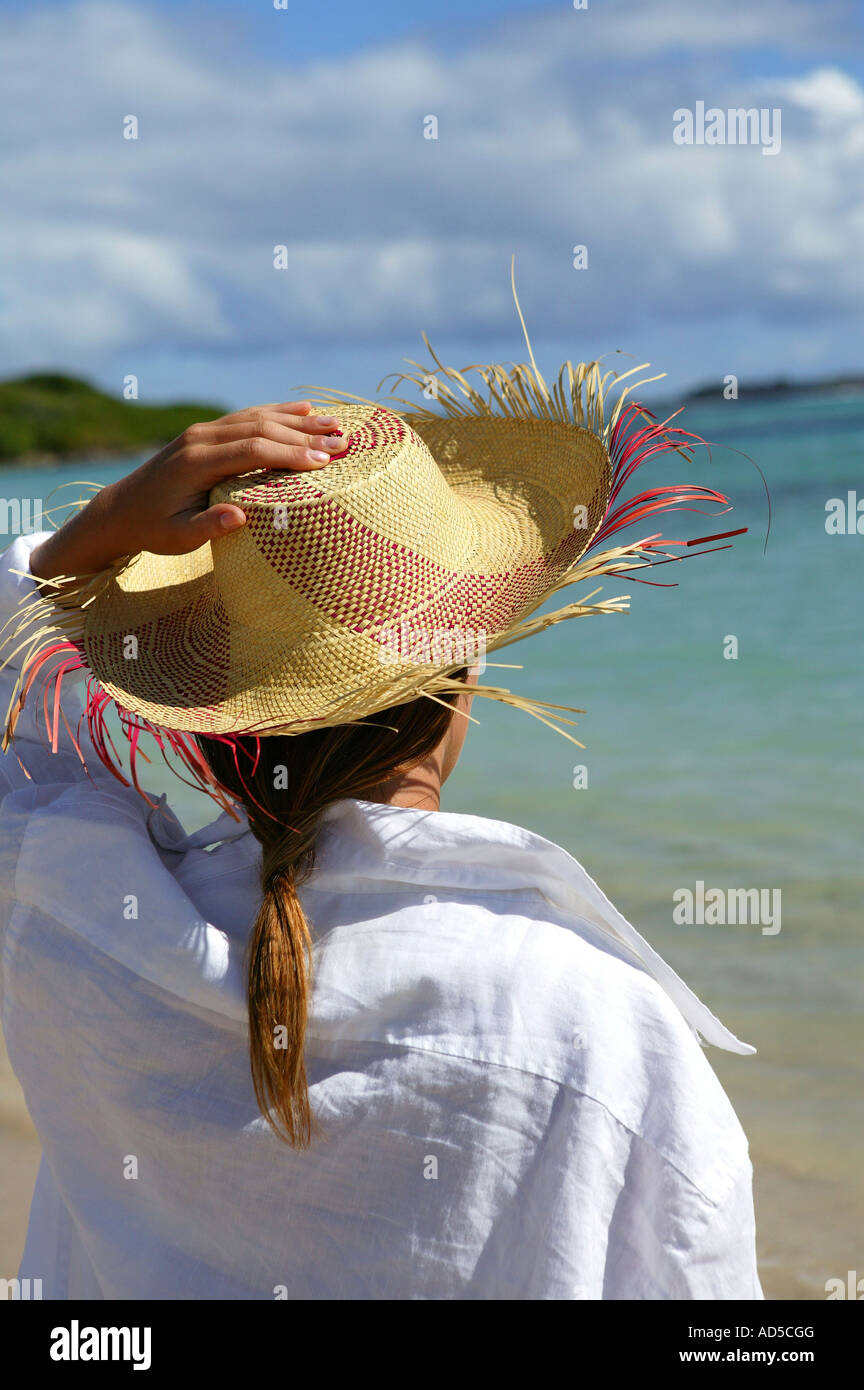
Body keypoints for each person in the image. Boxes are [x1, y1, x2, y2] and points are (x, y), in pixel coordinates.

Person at [0, 353, 763, 1300]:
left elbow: (16, 716)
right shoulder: (596, 1023)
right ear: (466, 672)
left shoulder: (79, 923)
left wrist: (91, 537)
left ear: (216, 701)